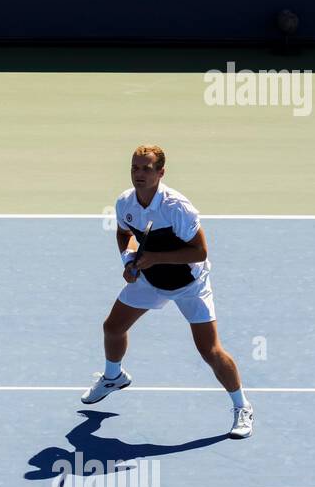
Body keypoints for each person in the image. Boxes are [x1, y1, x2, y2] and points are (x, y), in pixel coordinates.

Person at [82, 145, 254, 439]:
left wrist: (154, 259)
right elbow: (124, 234)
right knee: (112, 328)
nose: (139, 174)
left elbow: (199, 251)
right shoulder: (125, 203)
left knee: (210, 351)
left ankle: (242, 407)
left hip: (190, 284)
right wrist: (129, 261)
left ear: (161, 173)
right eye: (135, 168)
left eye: (147, 169)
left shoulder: (177, 208)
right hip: (150, 281)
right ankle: (113, 377)